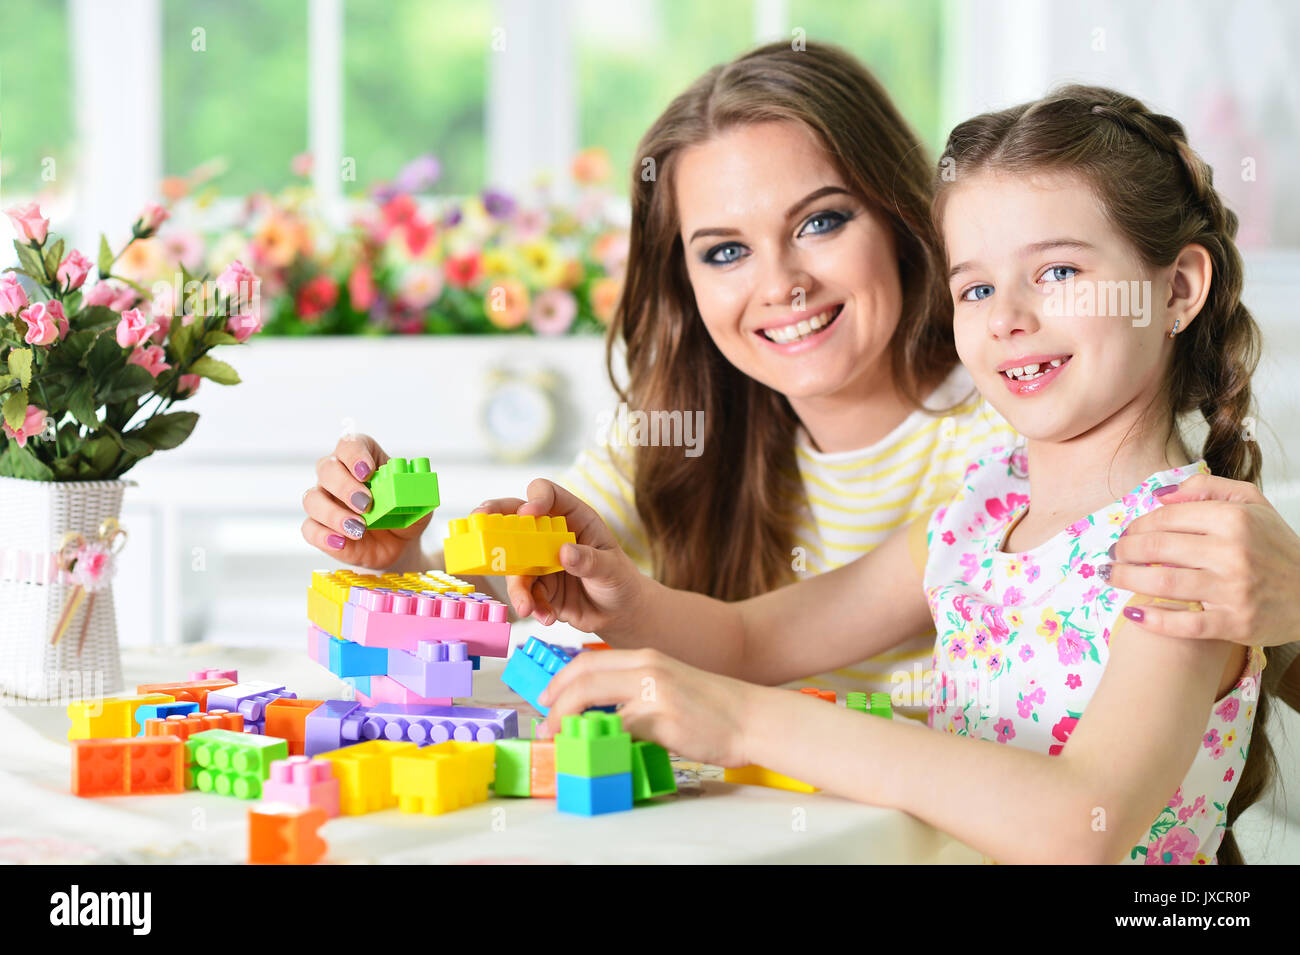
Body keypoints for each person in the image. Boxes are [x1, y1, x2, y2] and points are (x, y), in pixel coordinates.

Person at [300, 41, 1300, 712]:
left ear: (907, 221)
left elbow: (1213, 661)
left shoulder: (1031, 421)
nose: (780, 283)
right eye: (723, 251)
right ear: (684, 283)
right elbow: (552, 590)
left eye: (822, 221)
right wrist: (408, 563)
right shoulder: (678, 431)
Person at [512, 85, 1299, 864]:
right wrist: (625, 598)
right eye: (977, 287)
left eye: (1058, 271)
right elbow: (753, 637)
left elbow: (1078, 824)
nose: (1006, 317)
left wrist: (744, 722)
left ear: (1179, 289)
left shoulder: (1187, 554)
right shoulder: (978, 516)